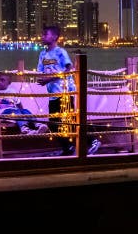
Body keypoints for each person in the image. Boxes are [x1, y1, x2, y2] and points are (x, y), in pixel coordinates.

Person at [37, 24, 101, 155]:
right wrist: (42, 79)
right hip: (53, 94)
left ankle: (92, 140)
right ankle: (68, 148)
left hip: (65, 91)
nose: (42, 36)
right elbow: (40, 71)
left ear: (55, 37)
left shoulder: (60, 52)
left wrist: (49, 79)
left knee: (70, 120)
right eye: (42, 34)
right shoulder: (42, 54)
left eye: (45, 34)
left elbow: (68, 69)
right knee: (54, 124)